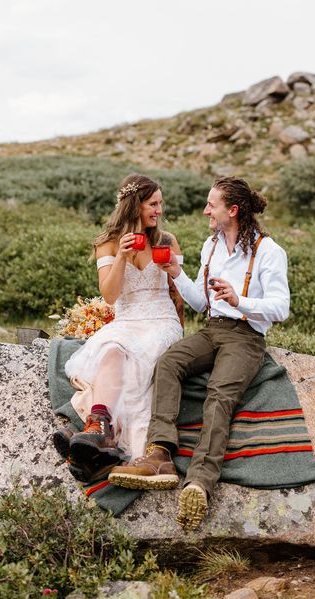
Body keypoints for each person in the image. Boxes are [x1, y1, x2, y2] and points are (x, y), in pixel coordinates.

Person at [108, 176, 290, 529]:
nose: (206, 210)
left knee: (219, 395)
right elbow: (199, 302)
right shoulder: (211, 246)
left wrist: (240, 300)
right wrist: (176, 273)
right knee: (169, 363)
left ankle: (199, 483)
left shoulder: (268, 251)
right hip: (212, 330)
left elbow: (281, 307)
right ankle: (159, 451)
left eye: (212, 205)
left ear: (232, 211)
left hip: (246, 336)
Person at [52, 173, 184, 481]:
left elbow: (180, 293)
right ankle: (100, 430)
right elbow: (110, 295)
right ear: (134, 206)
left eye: (161, 203)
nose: (159, 210)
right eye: (153, 204)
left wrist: (174, 272)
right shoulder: (107, 244)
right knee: (111, 349)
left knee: (137, 363)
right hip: (127, 320)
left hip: (161, 321)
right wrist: (122, 257)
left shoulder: (166, 241)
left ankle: (93, 446)